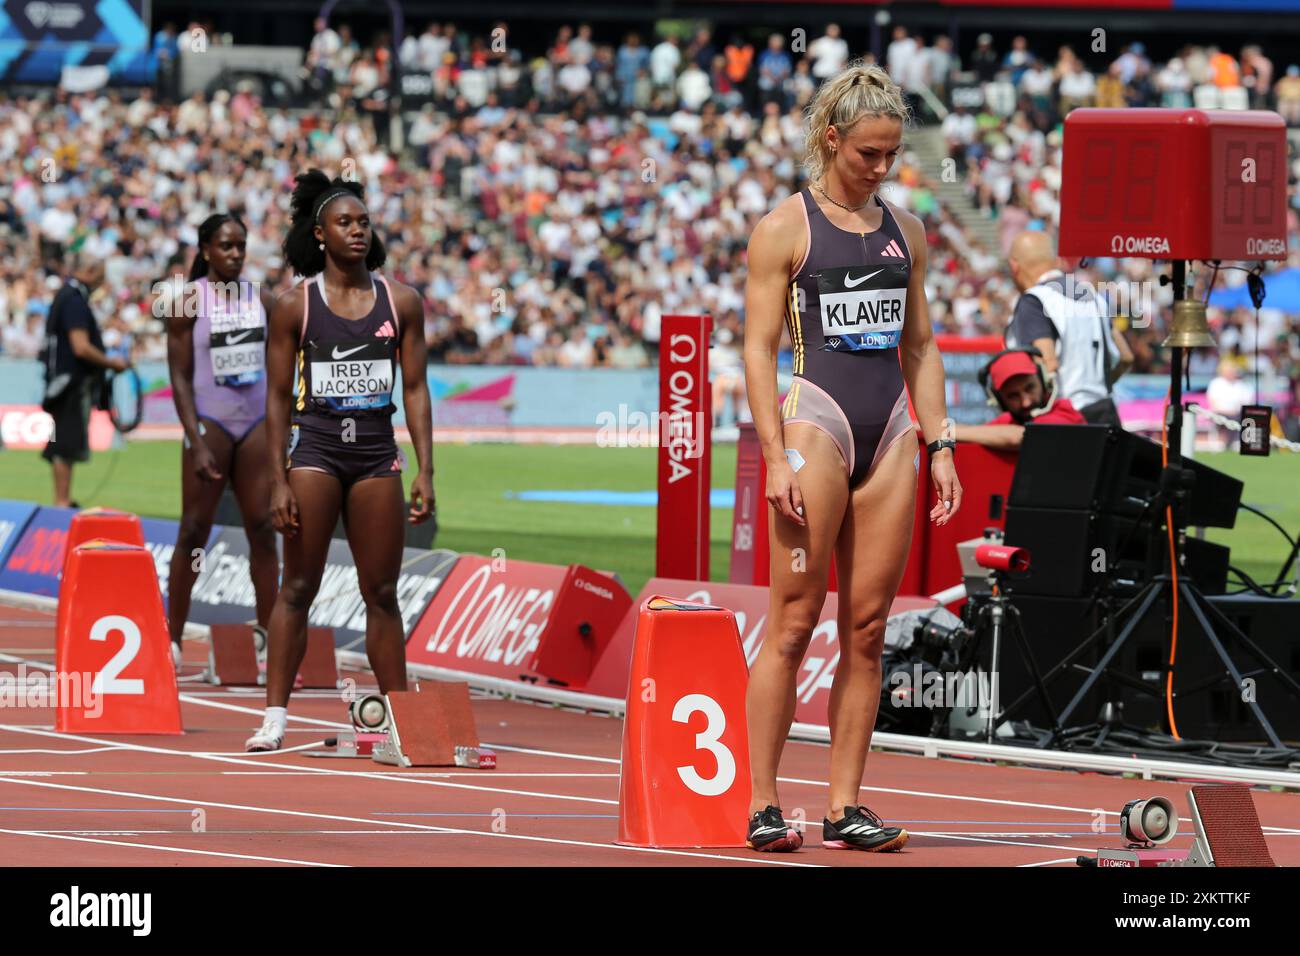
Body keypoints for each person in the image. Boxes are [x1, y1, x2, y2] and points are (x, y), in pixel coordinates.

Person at [742, 62, 961, 853]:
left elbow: (924, 345)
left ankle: (844, 806)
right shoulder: (784, 229)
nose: (881, 166)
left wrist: (941, 444)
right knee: (793, 622)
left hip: (893, 432)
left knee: (866, 628)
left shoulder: (909, 232)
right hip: (818, 429)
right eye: (868, 152)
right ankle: (763, 802)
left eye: (892, 154)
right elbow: (759, 349)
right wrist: (773, 456)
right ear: (831, 140)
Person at [247, 171, 435, 752]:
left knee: (381, 591)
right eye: (344, 224)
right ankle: (275, 717)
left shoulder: (401, 301)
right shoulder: (292, 306)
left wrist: (427, 469)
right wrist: (277, 478)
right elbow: (277, 397)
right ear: (321, 235)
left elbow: (417, 389)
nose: (358, 231)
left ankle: (401, 723)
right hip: (318, 451)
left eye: (364, 222)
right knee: (297, 586)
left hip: (377, 453)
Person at [163, 214, 279, 672]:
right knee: (194, 529)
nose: (234, 254)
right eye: (226, 246)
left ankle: (271, 637)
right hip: (210, 423)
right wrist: (195, 439)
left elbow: (281, 372)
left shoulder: (264, 300)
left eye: (240, 246)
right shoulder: (187, 303)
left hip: (254, 426)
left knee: (264, 530)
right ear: (206, 249)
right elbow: (179, 376)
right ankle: (172, 637)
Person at [1003, 231, 1132, 426]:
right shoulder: (1094, 297)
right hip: (1106, 415)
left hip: (1066, 421)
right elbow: (1125, 357)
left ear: (1014, 266)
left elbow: (1048, 364)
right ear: (1055, 260)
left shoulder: (1034, 301)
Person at [39, 251, 128, 507]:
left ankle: (61, 499)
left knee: (58, 444)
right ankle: (62, 502)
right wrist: (111, 362)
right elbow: (80, 346)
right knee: (64, 445)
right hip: (71, 388)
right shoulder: (75, 300)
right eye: (99, 275)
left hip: (58, 387)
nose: (101, 282)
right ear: (87, 271)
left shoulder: (64, 296)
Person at [953, 349, 1086, 452]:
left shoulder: (1065, 411)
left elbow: (1021, 437)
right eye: (1013, 395)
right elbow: (976, 431)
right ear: (999, 400)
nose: (1026, 402)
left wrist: (949, 432)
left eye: (1030, 388)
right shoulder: (1010, 421)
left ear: (1043, 381)